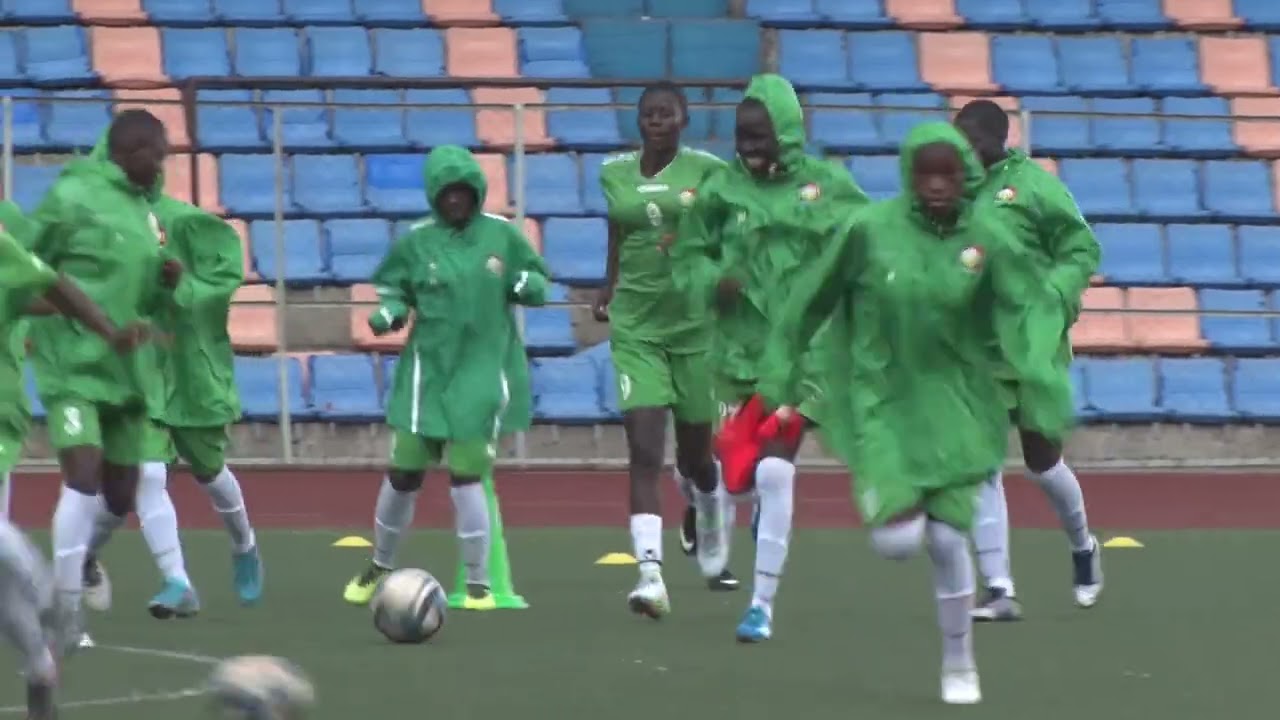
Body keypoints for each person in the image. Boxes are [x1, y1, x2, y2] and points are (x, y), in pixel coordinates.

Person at [760, 121, 1076, 704]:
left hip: (958, 402)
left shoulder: (987, 240)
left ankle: (959, 662)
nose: (936, 185)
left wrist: (1040, 378)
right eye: (925, 174)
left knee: (950, 542)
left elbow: (1026, 307)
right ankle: (917, 524)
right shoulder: (869, 231)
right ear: (909, 175)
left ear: (965, 178)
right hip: (881, 399)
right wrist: (782, 367)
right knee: (898, 543)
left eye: (947, 174)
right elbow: (812, 297)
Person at [671, 73, 870, 642]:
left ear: (786, 131)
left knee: (778, 471)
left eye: (760, 135)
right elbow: (686, 257)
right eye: (742, 135)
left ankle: (761, 605)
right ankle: (715, 503)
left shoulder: (827, 185)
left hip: (803, 359)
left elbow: (870, 239)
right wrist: (714, 281)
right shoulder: (719, 191)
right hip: (737, 357)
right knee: (735, 481)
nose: (749, 146)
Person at [342, 144, 550, 611]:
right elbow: (396, 289)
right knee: (403, 473)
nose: (455, 200)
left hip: (481, 369)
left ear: (476, 191)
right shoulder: (416, 240)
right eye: (446, 193)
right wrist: (389, 313)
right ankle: (379, 563)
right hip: (427, 372)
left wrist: (526, 286)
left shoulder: (503, 235)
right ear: (434, 195)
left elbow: (537, 280)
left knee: (466, 477)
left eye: (463, 191)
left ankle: (478, 584)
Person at [79, 185, 261, 620]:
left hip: (189, 370)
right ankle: (177, 581)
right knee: (144, 473)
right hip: (140, 370)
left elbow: (221, 281)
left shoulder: (187, 222)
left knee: (210, 473)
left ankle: (244, 545)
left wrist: (180, 284)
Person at [25, 108, 173, 645]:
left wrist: (166, 283)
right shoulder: (71, 197)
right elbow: (25, 267)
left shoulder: (145, 211)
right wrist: (30, 317)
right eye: (156, 154)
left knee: (120, 494)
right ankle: (65, 616)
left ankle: (82, 560)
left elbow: (143, 294)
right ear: (129, 150)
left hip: (126, 369)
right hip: (73, 366)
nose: (162, 164)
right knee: (83, 476)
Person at [593, 82, 739, 615]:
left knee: (697, 458)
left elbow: (730, 235)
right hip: (637, 328)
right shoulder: (614, 173)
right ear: (639, 122)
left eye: (666, 113)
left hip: (695, 328)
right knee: (644, 450)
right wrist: (607, 284)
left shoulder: (707, 173)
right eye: (648, 114)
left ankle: (705, 514)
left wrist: (722, 274)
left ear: (683, 121)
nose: (656, 121)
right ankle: (650, 576)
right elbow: (618, 228)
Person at [953, 100, 1103, 621]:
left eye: (973, 142)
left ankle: (1083, 547)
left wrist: (1053, 296)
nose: (965, 153)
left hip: (1032, 345)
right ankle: (999, 588)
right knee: (981, 465)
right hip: (980, 350)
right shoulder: (954, 194)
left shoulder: (1036, 187)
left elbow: (1081, 247)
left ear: (999, 138)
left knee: (1043, 463)